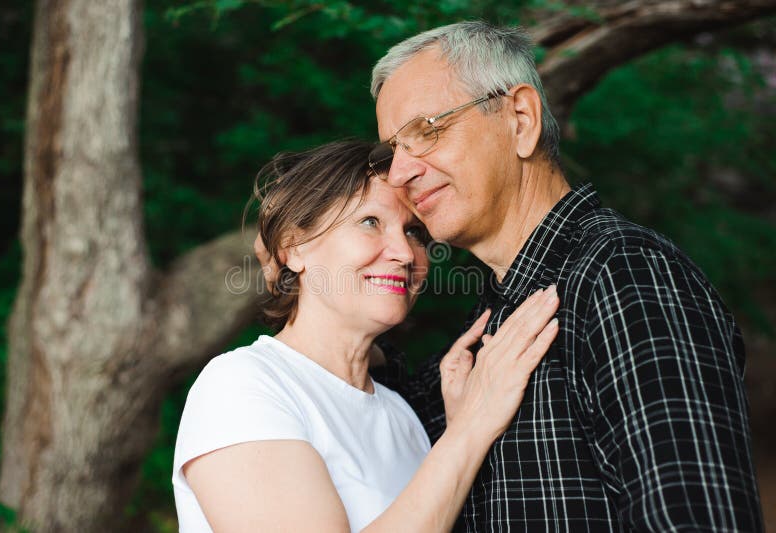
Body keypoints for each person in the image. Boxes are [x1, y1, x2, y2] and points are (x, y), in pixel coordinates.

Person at [362, 20, 763, 531]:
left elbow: (697, 518)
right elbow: (374, 405)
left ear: (521, 119)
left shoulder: (624, 275)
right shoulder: (494, 318)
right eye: (393, 148)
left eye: (426, 130)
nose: (399, 172)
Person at [172, 140, 561, 532]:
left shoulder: (403, 418)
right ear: (293, 247)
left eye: (414, 232)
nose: (405, 254)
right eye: (370, 222)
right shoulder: (241, 385)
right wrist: (474, 424)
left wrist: (462, 428)